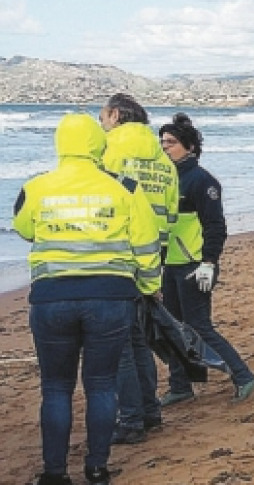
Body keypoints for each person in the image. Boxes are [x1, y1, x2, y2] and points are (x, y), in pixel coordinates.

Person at [14, 113, 162, 485]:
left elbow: (24, 228)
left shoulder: (37, 187)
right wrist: (147, 286)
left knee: (56, 387)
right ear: (99, 144)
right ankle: (97, 468)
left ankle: (55, 473)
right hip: (110, 298)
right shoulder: (126, 188)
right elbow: (146, 244)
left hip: (52, 299)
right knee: (101, 384)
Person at [156, 113, 254, 406]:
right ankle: (181, 386)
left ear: (189, 147)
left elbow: (216, 226)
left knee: (200, 326)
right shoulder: (164, 180)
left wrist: (209, 263)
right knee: (173, 328)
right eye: (162, 142)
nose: (165, 147)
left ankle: (243, 376)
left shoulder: (202, 181)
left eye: (171, 142)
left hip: (194, 265)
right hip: (170, 265)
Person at [97, 93, 178, 445]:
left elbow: (100, 202)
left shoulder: (108, 151)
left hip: (117, 254)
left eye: (102, 115)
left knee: (122, 347)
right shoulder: (164, 160)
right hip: (152, 253)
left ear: (114, 115)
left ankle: (132, 419)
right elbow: (171, 214)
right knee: (138, 340)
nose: (101, 122)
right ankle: (149, 410)